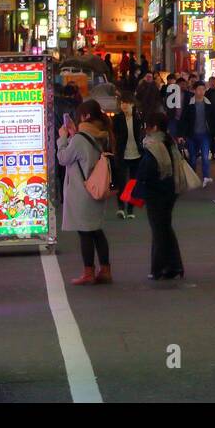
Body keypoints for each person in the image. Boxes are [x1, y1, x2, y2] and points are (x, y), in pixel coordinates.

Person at [55, 100, 114, 285]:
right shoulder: (100, 135)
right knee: (96, 231)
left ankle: (88, 272)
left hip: (82, 192)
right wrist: (74, 135)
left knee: (85, 232)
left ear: (86, 116)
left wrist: (63, 138)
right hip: (96, 188)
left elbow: (63, 158)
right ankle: (105, 269)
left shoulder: (80, 139)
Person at [136, 110, 186, 280]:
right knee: (165, 228)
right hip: (170, 191)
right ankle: (174, 266)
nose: (145, 129)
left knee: (159, 230)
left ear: (154, 127)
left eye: (147, 126)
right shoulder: (169, 142)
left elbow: (147, 170)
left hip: (156, 193)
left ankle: (160, 267)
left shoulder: (154, 146)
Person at [111, 89, 146, 220]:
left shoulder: (138, 118)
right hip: (122, 154)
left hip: (137, 155)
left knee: (133, 183)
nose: (124, 105)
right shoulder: (117, 119)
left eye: (126, 103)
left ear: (132, 104)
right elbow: (114, 136)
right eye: (122, 103)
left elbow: (143, 135)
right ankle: (121, 208)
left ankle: (130, 209)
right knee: (121, 182)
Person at [179, 81, 215, 187]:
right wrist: (181, 135)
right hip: (191, 135)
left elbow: (214, 120)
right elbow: (184, 120)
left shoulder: (209, 105)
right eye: (199, 89)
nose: (201, 92)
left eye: (203, 89)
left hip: (205, 135)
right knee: (192, 157)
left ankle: (206, 176)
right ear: (194, 91)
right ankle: (193, 177)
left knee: (205, 156)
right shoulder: (189, 104)